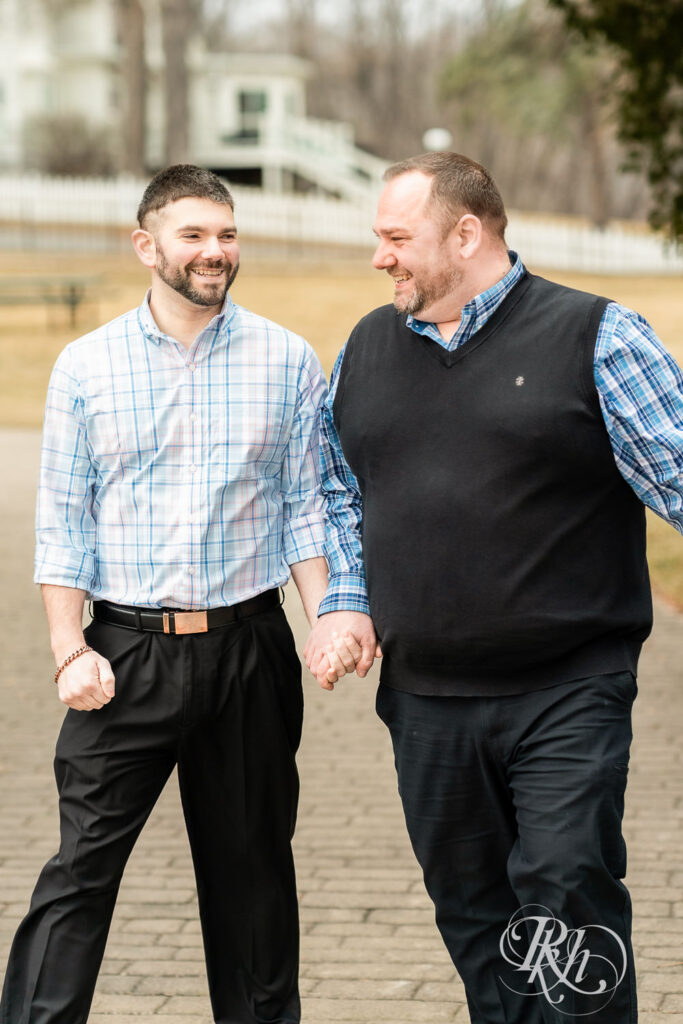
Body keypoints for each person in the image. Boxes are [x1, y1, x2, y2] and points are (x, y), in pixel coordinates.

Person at [304, 152, 683, 1023]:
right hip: (424, 699)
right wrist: (347, 601)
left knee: (563, 897)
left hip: (566, 689)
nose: (379, 258)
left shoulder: (597, 335)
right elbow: (338, 492)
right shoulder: (364, 346)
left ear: (466, 233)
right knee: (477, 921)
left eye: (397, 238)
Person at [0, 164, 352, 1024]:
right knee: (79, 871)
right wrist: (67, 649)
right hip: (123, 655)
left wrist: (332, 616)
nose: (214, 251)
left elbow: (306, 507)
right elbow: (63, 524)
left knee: (254, 881)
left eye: (226, 234)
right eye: (193, 234)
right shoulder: (87, 365)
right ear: (145, 245)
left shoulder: (286, 359)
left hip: (248, 653)